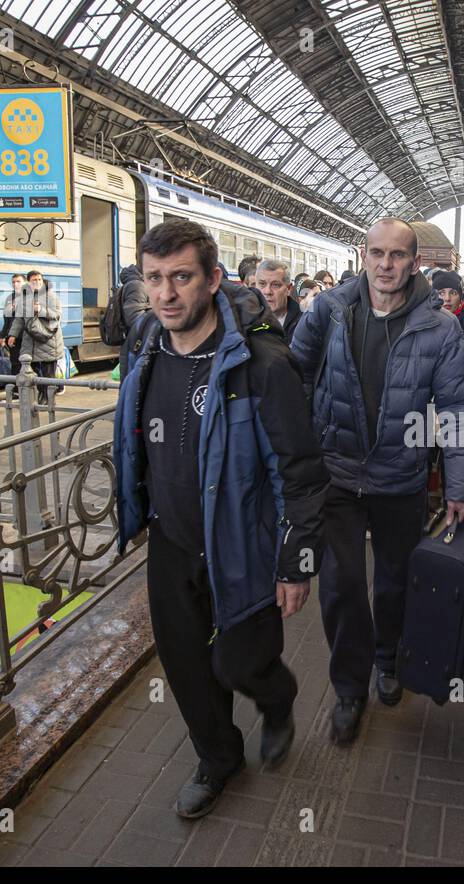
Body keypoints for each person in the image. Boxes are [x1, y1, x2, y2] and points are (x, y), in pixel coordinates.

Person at [113, 219, 328, 819]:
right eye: (154, 279)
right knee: (185, 667)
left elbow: (300, 473)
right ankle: (218, 759)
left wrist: (296, 563)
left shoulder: (260, 365)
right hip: (172, 540)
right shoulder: (146, 349)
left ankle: (277, 697)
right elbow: (134, 440)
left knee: (236, 660)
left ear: (212, 279)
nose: (165, 293)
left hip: (243, 542)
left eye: (181, 277)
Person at [289, 218, 464, 744]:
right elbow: (295, 374)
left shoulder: (439, 328)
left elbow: (459, 407)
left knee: (394, 579)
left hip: (401, 476)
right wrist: (299, 448)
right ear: (364, 256)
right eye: (377, 253)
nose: (386, 264)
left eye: (397, 255)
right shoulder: (329, 311)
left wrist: (461, 487)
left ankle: (388, 659)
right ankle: (349, 688)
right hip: (337, 472)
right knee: (342, 583)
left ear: (415, 263)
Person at [7, 271, 63, 401]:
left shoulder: (52, 296)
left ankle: (48, 400)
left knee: (48, 374)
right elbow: (19, 319)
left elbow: (57, 315)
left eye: (39, 279)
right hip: (31, 341)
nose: (37, 282)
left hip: (48, 341)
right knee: (36, 373)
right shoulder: (24, 299)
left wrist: (41, 310)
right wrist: (12, 335)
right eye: (33, 280)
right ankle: (42, 396)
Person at [254, 258, 303, 342]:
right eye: (262, 284)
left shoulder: (303, 322)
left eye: (275, 285)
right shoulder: (245, 319)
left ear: (288, 288)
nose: (267, 291)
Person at [0, 274, 27, 374]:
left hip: (26, 336)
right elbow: (7, 320)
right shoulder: (10, 298)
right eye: (13, 282)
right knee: (15, 362)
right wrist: (2, 336)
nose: (15, 284)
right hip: (13, 337)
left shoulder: (29, 296)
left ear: (25, 282)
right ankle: (16, 386)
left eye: (18, 281)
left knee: (27, 363)